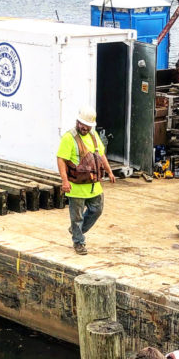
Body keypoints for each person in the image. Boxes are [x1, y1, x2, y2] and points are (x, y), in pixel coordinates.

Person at [56, 106, 117, 256]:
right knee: (76, 217)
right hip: (76, 186)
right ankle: (79, 242)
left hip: (93, 185)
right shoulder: (69, 137)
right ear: (77, 121)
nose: (84, 128)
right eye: (82, 124)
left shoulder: (94, 135)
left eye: (87, 126)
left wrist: (109, 171)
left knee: (97, 210)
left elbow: (101, 155)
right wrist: (65, 181)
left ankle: (77, 230)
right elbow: (61, 159)